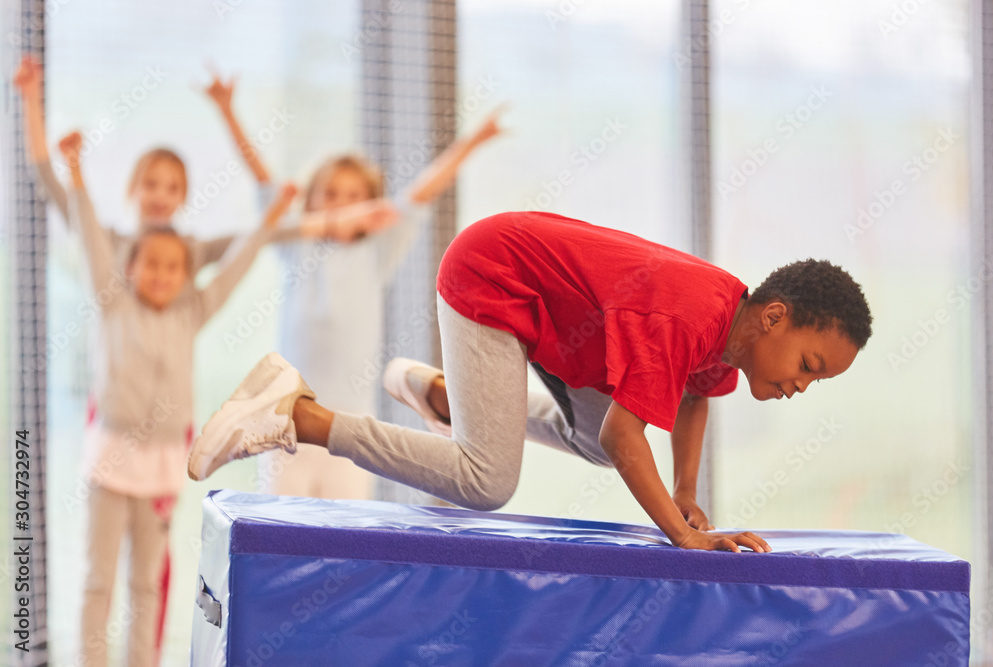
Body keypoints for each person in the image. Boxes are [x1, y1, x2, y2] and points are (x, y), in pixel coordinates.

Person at [187, 211, 873, 554]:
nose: (802, 386)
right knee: (487, 480)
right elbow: (627, 430)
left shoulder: (732, 335)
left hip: (557, 324)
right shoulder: (688, 315)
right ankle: (296, 413)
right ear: (774, 317)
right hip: (494, 278)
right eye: (808, 366)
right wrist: (683, 536)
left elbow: (694, 396)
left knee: (596, 446)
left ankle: (448, 397)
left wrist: (689, 496)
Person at [55, 128, 298, 666]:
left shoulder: (193, 310)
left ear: (186, 276)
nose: (162, 275)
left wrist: (270, 218)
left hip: (163, 465)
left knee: (146, 584)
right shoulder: (113, 301)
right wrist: (74, 171)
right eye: (151, 265)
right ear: (129, 268)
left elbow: (234, 264)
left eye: (173, 267)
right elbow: (93, 236)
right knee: (98, 580)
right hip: (109, 458)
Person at [203, 70, 506, 499]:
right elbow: (262, 179)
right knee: (282, 531)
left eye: (353, 197)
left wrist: (473, 141)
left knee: (344, 535)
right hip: (286, 420)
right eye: (330, 195)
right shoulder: (298, 245)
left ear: (372, 209)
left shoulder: (376, 251)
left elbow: (421, 192)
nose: (341, 206)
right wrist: (227, 109)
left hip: (348, 428)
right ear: (311, 202)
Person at [14, 55, 242, 272]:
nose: (161, 196)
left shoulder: (193, 251)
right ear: (132, 188)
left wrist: (227, 112)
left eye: (173, 188)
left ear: (184, 196)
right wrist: (31, 97)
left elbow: (259, 235)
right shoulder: (107, 244)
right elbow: (48, 179)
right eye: (151, 184)